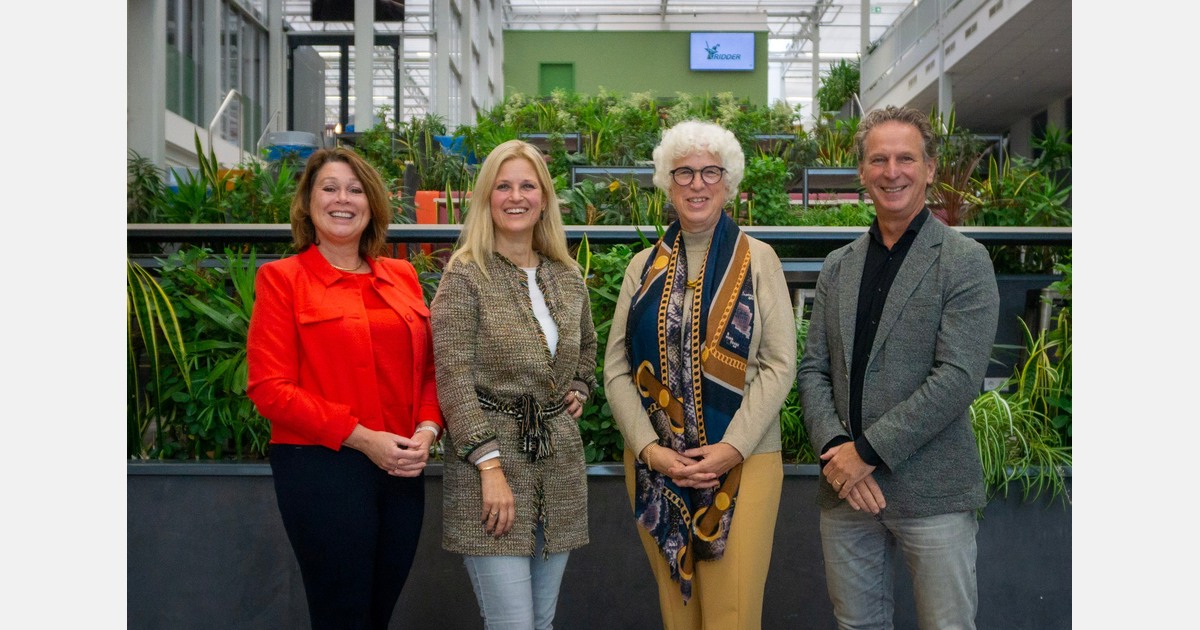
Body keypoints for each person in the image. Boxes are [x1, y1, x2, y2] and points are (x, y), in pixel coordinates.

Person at [797, 105, 1001, 630]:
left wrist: (863, 453)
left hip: (932, 490)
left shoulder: (964, 260)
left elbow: (956, 379)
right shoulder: (839, 266)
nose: (893, 172)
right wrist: (834, 451)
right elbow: (814, 370)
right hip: (847, 495)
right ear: (862, 172)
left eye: (906, 158)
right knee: (857, 625)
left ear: (929, 168)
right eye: (879, 159)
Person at [603, 120, 796, 629]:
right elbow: (617, 368)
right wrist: (650, 450)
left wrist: (731, 447)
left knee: (731, 617)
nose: (697, 183)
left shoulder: (760, 260)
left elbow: (779, 364)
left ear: (729, 182)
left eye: (711, 171)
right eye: (683, 172)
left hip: (744, 461)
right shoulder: (641, 267)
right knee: (678, 616)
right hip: (657, 465)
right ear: (667, 183)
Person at [246, 147, 443, 630]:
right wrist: (362, 437)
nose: (343, 199)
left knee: (378, 613)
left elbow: (430, 370)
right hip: (321, 469)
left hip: (401, 464)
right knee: (342, 617)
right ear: (308, 203)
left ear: (371, 204)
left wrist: (428, 429)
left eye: (355, 190)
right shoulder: (281, 279)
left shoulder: (402, 276)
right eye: (329, 188)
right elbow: (269, 388)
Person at [430, 139, 597, 630]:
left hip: (558, 469)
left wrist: (581, 386)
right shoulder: (465, 275)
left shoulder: (566, 277)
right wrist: (489, 468)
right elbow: (453, 379)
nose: (516, 196)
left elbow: (586, 347)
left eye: (528, 185)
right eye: (503, 186)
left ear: (544, 198)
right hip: (490, 474)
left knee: (541, 623)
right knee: (513, 626)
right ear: (487, 197)